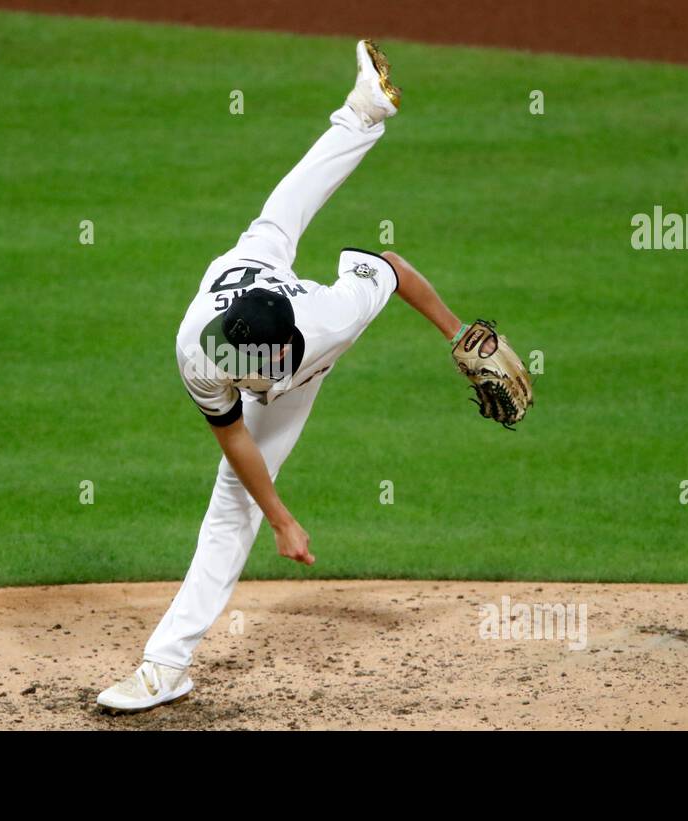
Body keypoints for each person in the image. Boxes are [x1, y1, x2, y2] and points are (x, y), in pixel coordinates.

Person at [96, 40, 471, 712]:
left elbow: (390, 264)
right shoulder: (200, 348)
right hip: (249, 276)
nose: (232, 375)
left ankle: (361, 117)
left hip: (302, 338)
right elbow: (234, 437)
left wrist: (460, 336)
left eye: (246, 370)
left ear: (273, 358)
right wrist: (281, 517)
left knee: (291, 227)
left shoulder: (326, 321)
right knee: (277, 218)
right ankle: (167, 666)